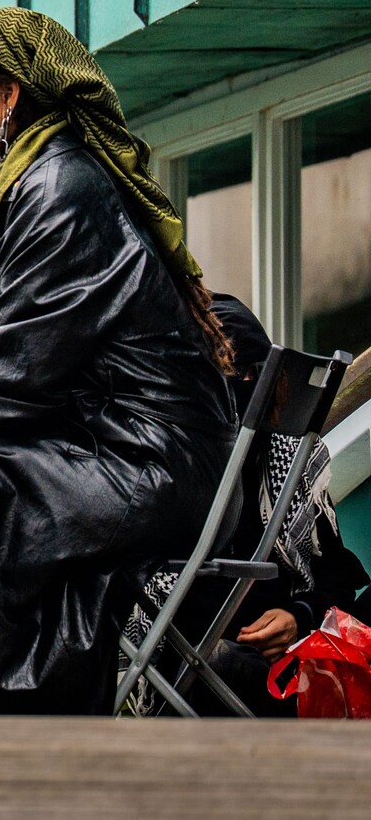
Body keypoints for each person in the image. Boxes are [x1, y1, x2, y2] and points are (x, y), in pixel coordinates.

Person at [0, 7, 236, 713]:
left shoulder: (57, 186)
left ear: (5, 97)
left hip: (144, 468)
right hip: (132, 454)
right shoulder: (48, 174)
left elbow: (15, 379)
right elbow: (36, 361)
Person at [126, 297, 363, 717]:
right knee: (222, 662)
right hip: (192, 664)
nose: (247, 386)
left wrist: (299, 615)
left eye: (257, 373)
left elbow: (338, 580)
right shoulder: (153, 470)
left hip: (290, 662)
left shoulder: (292, 462)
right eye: (230, 374)